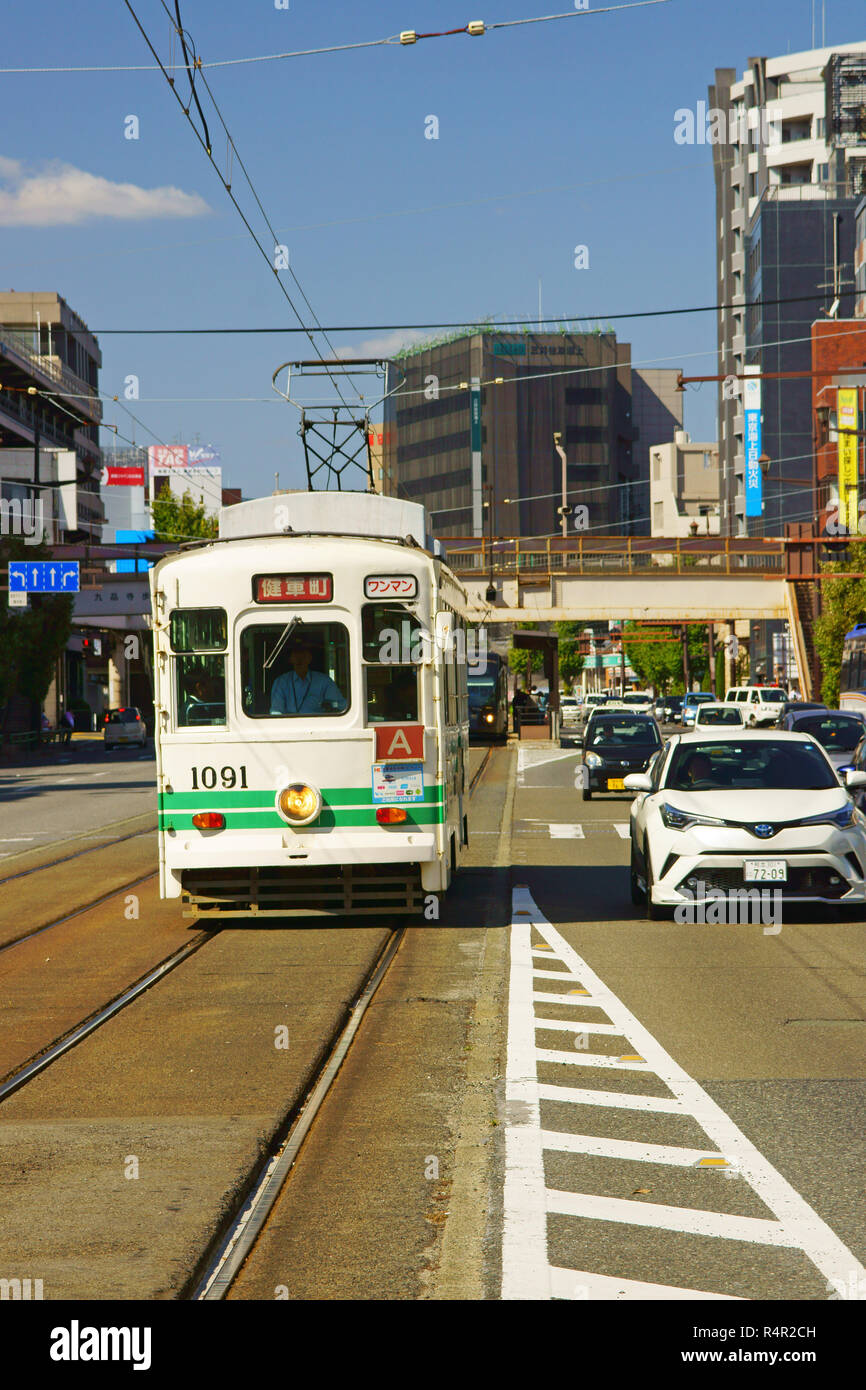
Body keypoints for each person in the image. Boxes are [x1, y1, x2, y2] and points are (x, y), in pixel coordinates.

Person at [270, 640, 347, 716]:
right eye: (296, 654)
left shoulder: (324, 681)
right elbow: (276, 711)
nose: (299, 659)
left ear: (310, 658)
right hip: (290, 726)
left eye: (303, 654)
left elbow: (341, 706)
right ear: (290, 659)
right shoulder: (281, 682)